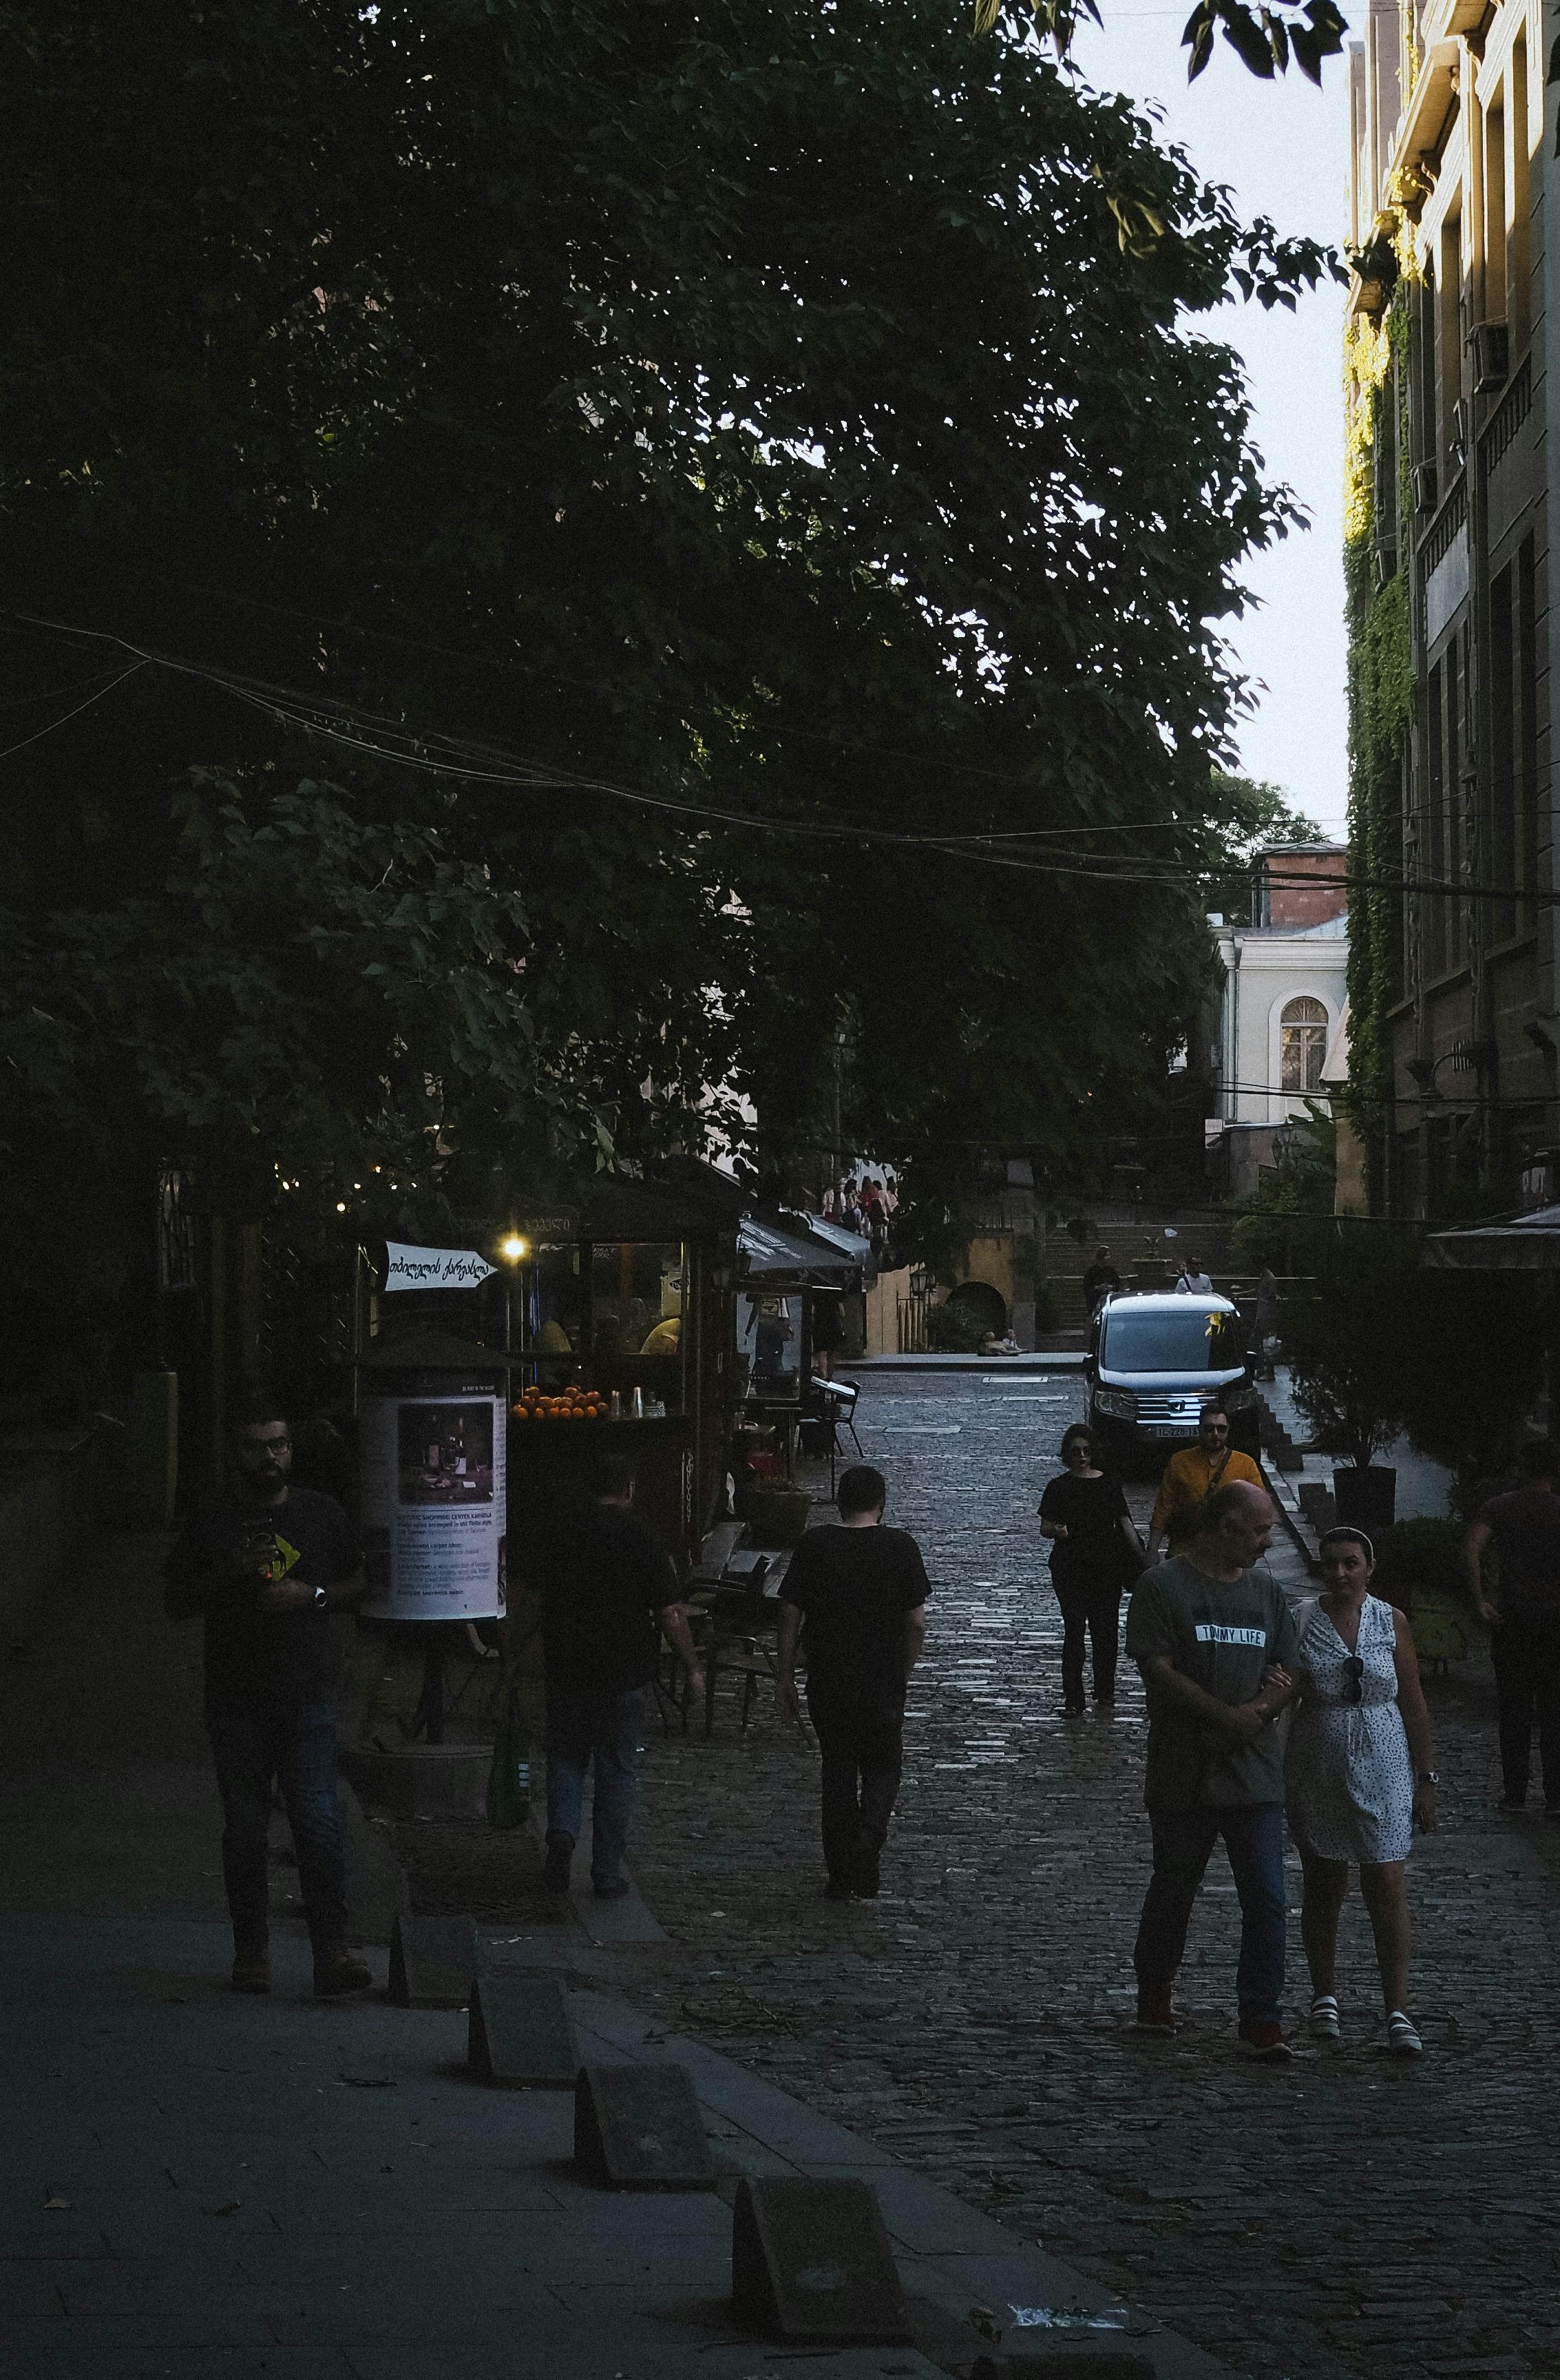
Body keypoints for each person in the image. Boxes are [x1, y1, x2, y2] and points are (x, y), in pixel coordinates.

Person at [165, 1388, 371, 1998]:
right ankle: (251, 1953)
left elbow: (363, 1579)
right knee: (247, 1831)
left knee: (319, 1825)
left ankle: (331, 1952)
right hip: (235, 1698)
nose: (270, 1458)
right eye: (256, 1448)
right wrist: (227, 1571)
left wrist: (313, 1596)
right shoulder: (213, 1518)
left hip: (306, 1695)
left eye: (279, 1444)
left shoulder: (322, 1513)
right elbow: (175, 1600)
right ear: (235, 1454)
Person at [1125, 1480, 1300, 2059]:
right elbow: (1159, 1669)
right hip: (1184, 1772)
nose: (1267, 1541)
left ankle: (1261, 2015)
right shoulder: (1161, 1587)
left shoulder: (1268, 1594)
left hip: (1255, 1775)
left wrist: (1256, 1713)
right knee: (1174, 1888)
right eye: (1258, 1530)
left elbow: (1290, 1670)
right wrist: (1227, 1714)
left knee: (1268, 1898)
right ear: (1226, 1528)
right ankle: (1154, 1993)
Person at [1286, 1527, 1437, 2056]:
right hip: (1319, 1762)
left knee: (1388, 1879)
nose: (1341, 1573)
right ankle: (1324, 1995)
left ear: (1369, 1567)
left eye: (1351, 1563)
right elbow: (1285, 1693)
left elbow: (1414, 1701)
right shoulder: (1303, 1622)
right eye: (1331, 1564)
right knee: (1324, 1880)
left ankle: (1398, 2007)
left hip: (1386, 1758)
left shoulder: (1390, 1620)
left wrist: (1426, 1778)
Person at [536, 1452, 705, 1897]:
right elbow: (669, 1613)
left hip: (567, 1666)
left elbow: (530, 1598)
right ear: (629, 1488)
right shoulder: (642, 1536)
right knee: (616, 1772)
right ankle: (606, 1872)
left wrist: (515, 1663)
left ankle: (562, 1834)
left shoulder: (562, 1531)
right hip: (624, 1672)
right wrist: (691, 1665)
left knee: (565, 1758)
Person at [777, 1465, 929, 1899]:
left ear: (840, 1501)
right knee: (883, 1767)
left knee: (838, 1772)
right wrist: (903, 1670)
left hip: (829, 1681)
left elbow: (789, 1612)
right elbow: (915, 1622)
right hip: (881, 1680)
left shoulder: (816, 1545)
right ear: (881, 1502)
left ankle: (842, 1875)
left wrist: (785, 1675)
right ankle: (868, 1840)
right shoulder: (900, 1547)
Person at [1464, 1439, 1560, 1814]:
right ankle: (1556, 1796)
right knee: (1555, 1709)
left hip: (1513, 1617)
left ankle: (1516, 1794)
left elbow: (1472, 1547)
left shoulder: (1500, 1507)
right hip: (1555, 1620)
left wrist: (1480, 1598)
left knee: (1514, 1709)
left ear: (1522, 1468)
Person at [1039, 1423, 1146, 1712]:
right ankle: (1074, 1698)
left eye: (1086, 1451)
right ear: (1068, 1455)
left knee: (1105, 1632)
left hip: (1106, 1568)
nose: (1082, 1457)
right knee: (1074, 1631)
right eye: (1076, 1452)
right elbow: (1045, 1526)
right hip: (1070, 1568)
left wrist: (1143, 1558)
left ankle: (1104, 1691)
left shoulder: (1108, 1484)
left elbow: (1126, 1524)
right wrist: (1057, 1531)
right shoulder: (1058, 1487)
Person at [1145, 1402, 1264, 1564]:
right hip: (1185, 1552)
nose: (1215, 1434)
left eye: (1221, 1429)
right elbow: (1163, 1508)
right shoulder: (1179, 1462)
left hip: (1228, 1555)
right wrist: (1152, 1549)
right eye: (1209, 1429)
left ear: (1228, 1430)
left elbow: (1259, 1510)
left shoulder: (1245, 1464)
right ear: (1199, 1429)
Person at [1082, 1245, 1121, 1312]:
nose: (1109, 1258)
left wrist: (1111, 1287)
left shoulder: (1111, 1271)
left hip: (1109, 1302)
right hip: (1095, 1302)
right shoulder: (1091, 1272)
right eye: (1107, 1255)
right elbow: (1087, 1288)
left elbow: (1118, 1285)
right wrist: (1098, 1288)